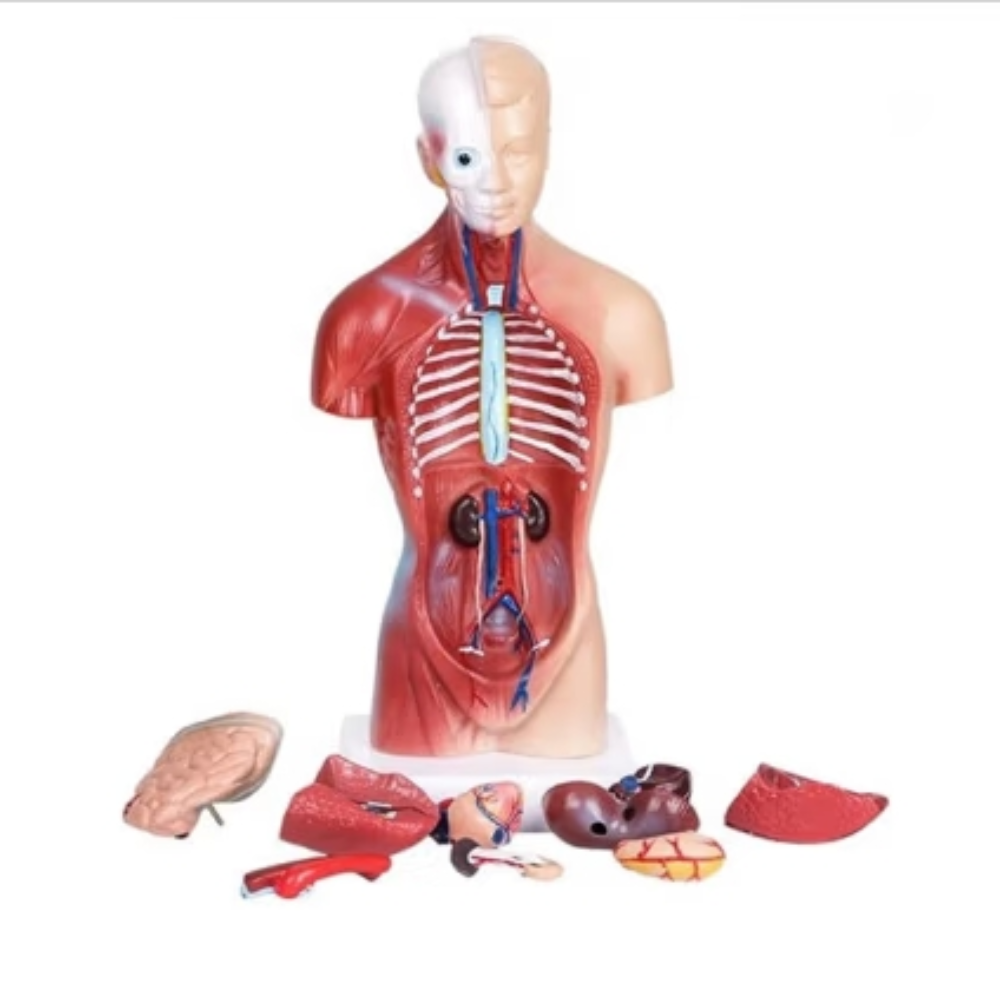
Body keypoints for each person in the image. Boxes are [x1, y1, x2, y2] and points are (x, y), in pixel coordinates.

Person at [311, 37, 673, 758]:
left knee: (565, 777)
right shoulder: (362, 318)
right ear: (427, 159)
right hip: (421, 635)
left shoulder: (623, 313)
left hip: (570, 640)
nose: (496, 185)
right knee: (419, 790)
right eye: (467, 159)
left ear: (549, 146)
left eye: (517, 153)